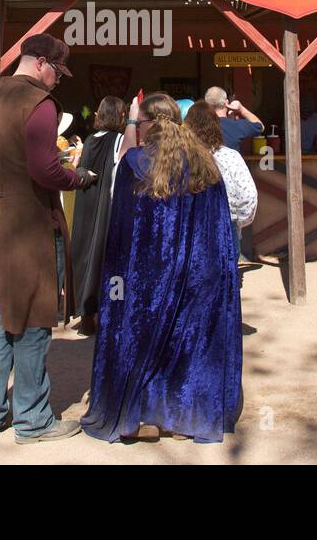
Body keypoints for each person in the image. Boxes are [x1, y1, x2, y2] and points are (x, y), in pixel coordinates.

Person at [0, 33, 97, 444]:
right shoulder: (40, 104)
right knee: (34, 323)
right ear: (40, 64)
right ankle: (33, 421)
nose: (58, 81)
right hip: (34, 229)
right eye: (57, 71)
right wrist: (79, 178)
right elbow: (45, 172)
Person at [83, 92, 242, 444]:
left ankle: (140, 417)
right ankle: (180, 417)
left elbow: (121, 228)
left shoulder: (134, 164)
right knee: (183, 342)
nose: (136, 128)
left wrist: (116, 280)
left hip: (144, 278)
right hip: (195, 274)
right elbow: (220, 231)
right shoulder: (205, 163)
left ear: (150, 124)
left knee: (140, 341)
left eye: (138, 123)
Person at [68, 96, 126, 336]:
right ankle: (110, 314)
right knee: (108, 259)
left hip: (86, 204)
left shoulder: (91, 140)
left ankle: (86, 314)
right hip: (107, 204)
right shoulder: (120, 139)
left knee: (84, 255)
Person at [185, 102, 258, 265]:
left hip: (189, 228)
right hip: (226, 226)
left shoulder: (180, 157)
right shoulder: (231, 156)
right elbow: (248, 196)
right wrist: (237, 222)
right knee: (227, 282)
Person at [204, 86, 264, 155]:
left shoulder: (198, 127)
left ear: (206, 105)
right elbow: (260, 127)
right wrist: (241, 109)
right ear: (226, 102)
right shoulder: (236, 126)